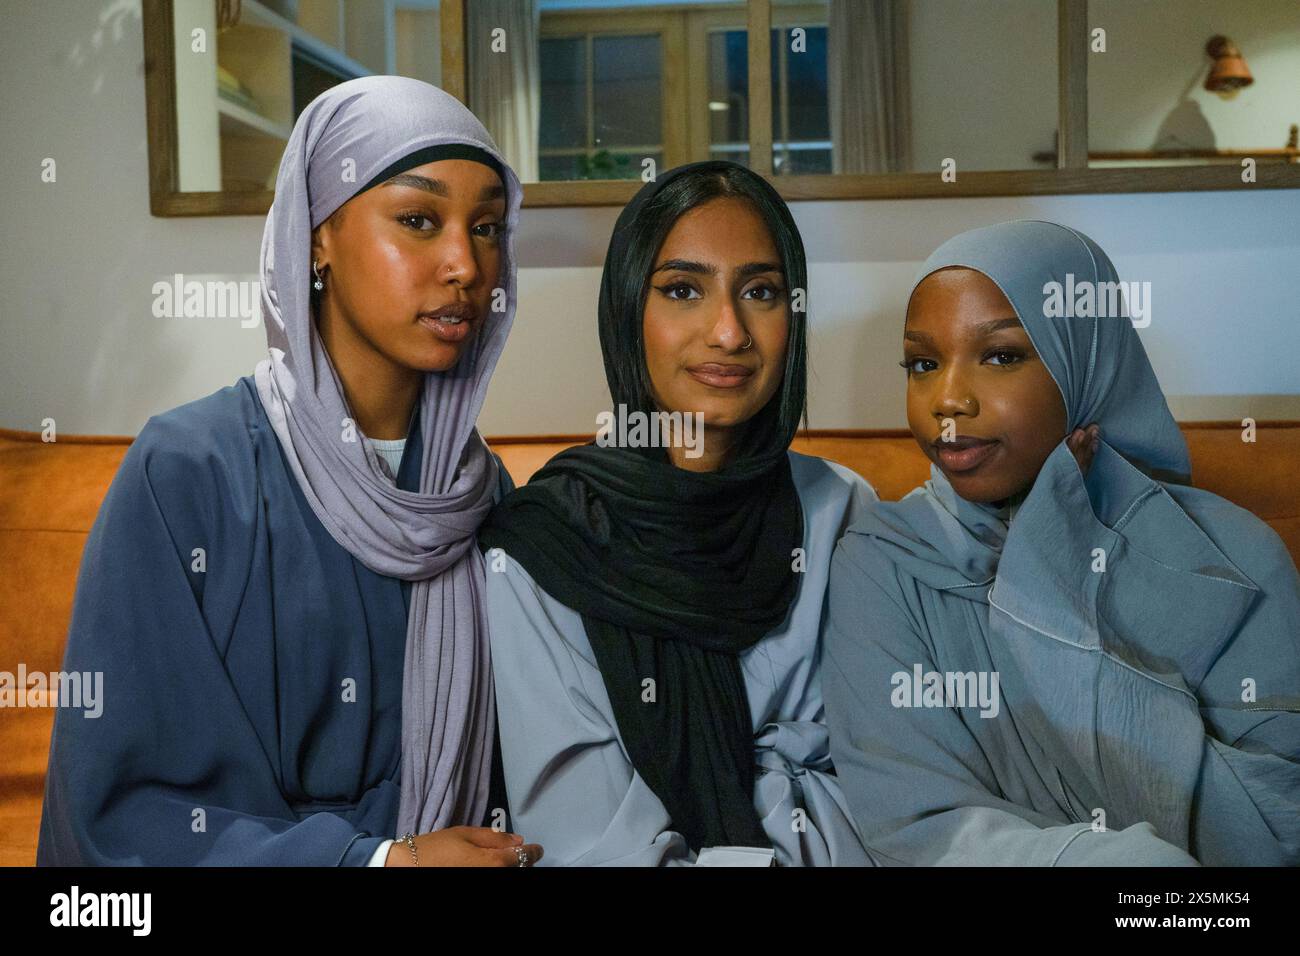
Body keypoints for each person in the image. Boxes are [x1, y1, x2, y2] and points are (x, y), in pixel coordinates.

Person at [37, 76, 542, 866]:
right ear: (317, 237)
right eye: (418, 219)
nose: (465, 265)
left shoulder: (481, 497)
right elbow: (122, 810)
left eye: (486, 228)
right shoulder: (188, 475)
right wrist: (380, 862)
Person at [823, 219, 1300, 866]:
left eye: (1001, 356)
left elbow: (1270, 838)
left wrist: (1054, 565)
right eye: (923, 364)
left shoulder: (1235, 559)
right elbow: (913, 825)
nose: (949, 399)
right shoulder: (884, 562)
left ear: (1087, 361)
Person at [478, 161, 874, 866]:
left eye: (761, 291)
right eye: (683, 290)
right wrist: (784, 771)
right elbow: (584, 838)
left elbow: (887, 789)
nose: (728, 332)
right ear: (629, 310)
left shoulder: (843, 512)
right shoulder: (541, 546)